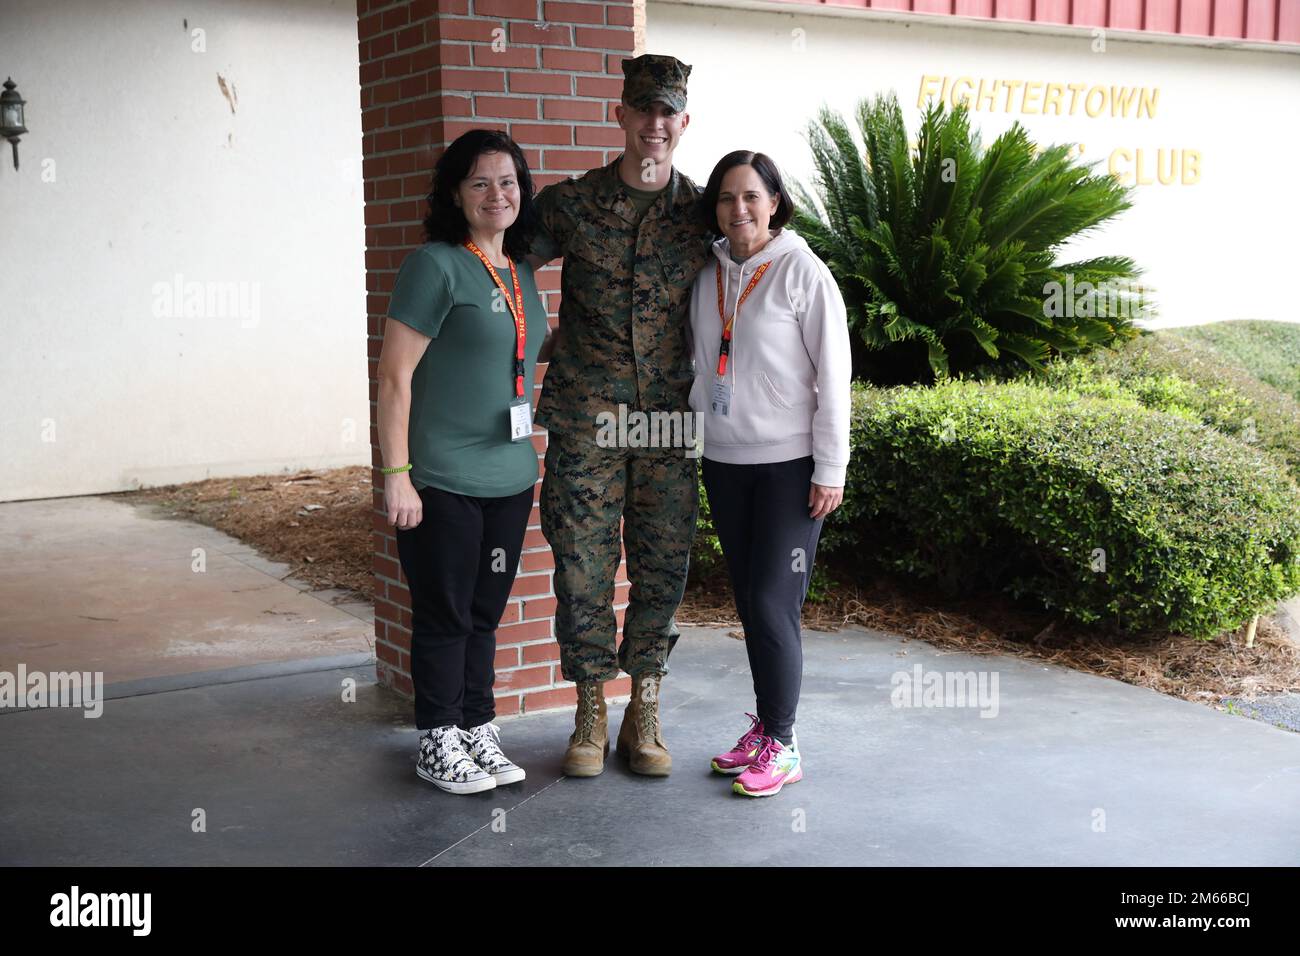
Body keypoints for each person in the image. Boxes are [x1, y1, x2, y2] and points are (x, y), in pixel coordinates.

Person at [527, 54, 715, 778]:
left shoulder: (704, 213)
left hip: (667, 425)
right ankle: (588, 711)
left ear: (683, 122)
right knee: (582, 567)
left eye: (668, 112)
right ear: (622, 117)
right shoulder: (571, 206)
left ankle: (645, 711)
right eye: (643, 110)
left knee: (662, 567)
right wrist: (528, 344)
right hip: (588, 419)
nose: (655, 124)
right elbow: (507, 267)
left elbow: (756, 271)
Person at [377, 129, 546, 794]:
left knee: (484, 613)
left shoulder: (520, 270)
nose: (495, 194)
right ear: (456, 193)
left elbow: (521, 351)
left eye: (507, 182)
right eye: (479, 182)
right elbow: (394, 379)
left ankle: (477, 726)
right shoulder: (436, 265)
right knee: (444, 613)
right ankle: (437, 738)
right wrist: (397, 476)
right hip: (442, 478)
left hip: (511, 477)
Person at [688, 150, 851, 797]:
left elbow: (833, 376)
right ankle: (763, 730)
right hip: (724, 462)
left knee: (770, 602)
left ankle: (782, 743)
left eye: (752, 196)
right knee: (748, 602)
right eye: (727, 198)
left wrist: (830, 466)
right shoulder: (706, 269)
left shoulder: (802, 272)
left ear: (776, 202)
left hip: (789, 467)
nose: (739, 210)